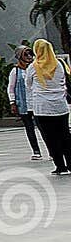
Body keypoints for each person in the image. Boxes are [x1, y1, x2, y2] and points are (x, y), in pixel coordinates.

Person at [26, 39, 69, 175]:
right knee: (65, 136)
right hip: (60, 107)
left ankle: (60, 166)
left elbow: (28, 84)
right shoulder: (60, 64)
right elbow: (64, 80)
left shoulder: (33, 67)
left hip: (42, 108)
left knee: (50, 138)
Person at [8, 46, 44, 162]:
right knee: (29, 128)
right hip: (23, 103)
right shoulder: (15, 71)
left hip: (36, 102)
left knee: (43, 127)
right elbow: (11, 88)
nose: (29, 57)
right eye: (26, 55)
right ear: (19, 57)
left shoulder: (36, 68)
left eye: (30, 54)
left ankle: (51, 150)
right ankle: (36, 151)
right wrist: (12, 102)